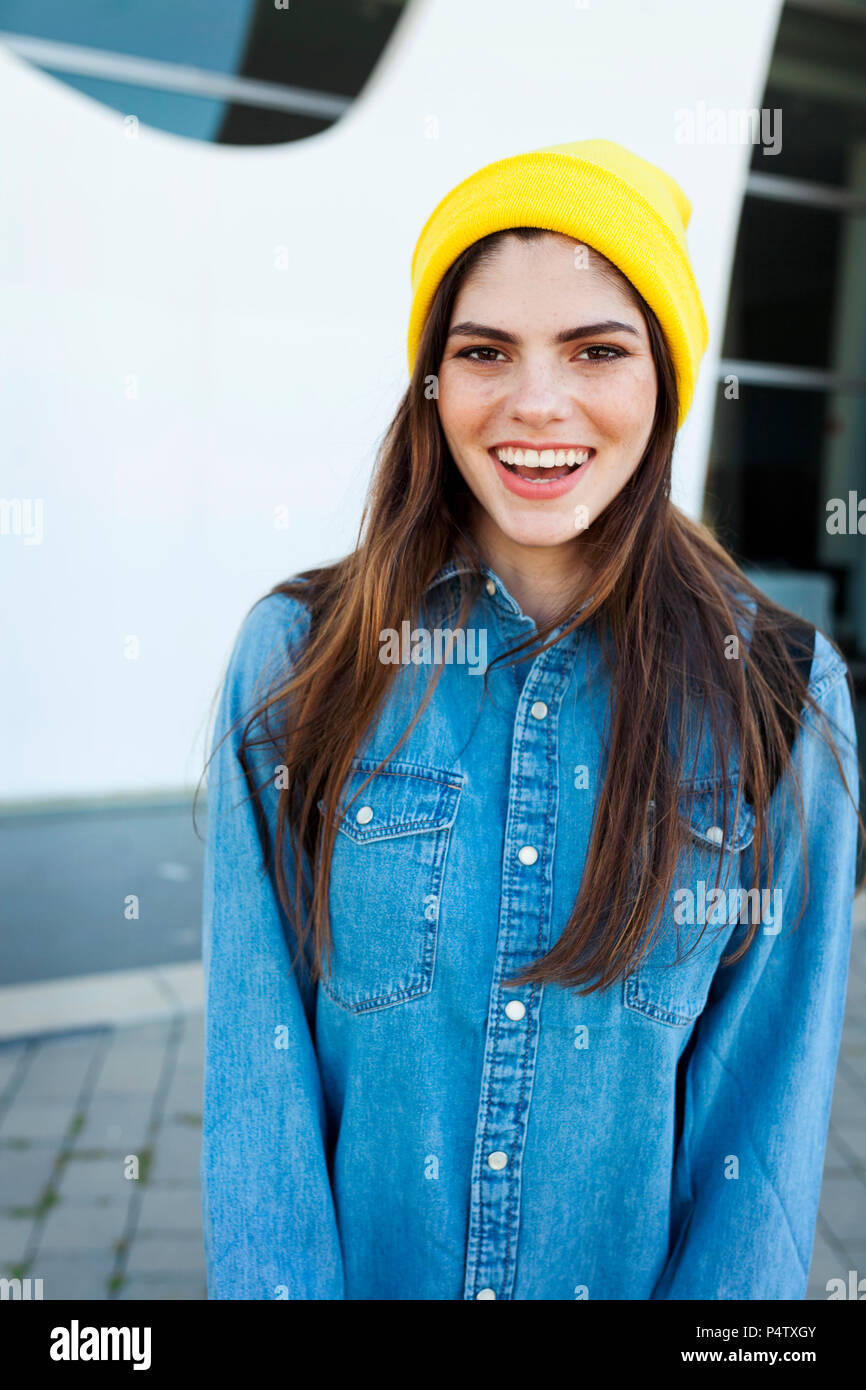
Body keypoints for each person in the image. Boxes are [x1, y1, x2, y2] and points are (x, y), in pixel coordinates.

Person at [199, 138, 862, 1300]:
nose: (534, 401)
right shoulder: (302, 658)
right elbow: (261, 1114)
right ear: (434, 384)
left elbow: (758, 1152)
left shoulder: (778, 690)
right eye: (483, 351)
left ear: (661, 380)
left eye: (596, 349)